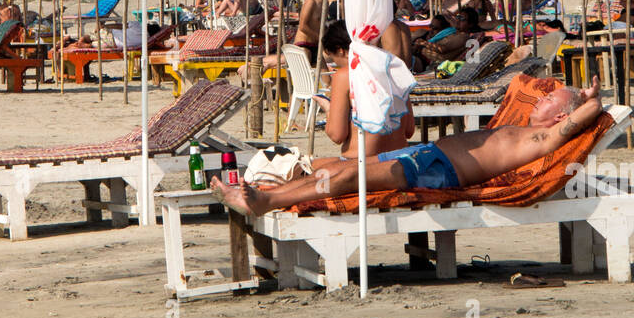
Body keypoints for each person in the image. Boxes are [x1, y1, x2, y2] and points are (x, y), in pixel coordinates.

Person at [211, 77, 603, 215]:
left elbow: (588, 113)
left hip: (440, 171)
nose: (542, 96)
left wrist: (589, 97)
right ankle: (267, 194)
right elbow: (524, 84)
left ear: (560, 117)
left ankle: (267, 203)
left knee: (349, 174)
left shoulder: (544, 136)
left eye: (552, 98)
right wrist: (572, 95)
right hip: (426, 156)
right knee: (332, 168)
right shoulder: (519, 124)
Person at [310, 21, 416, 159]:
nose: (336, 64)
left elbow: (337, 135)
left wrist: (328, 109)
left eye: (334, 58)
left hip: (361, 163)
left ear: (341, 51)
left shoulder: (345, 75)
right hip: (400, 159)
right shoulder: (392, 69)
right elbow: (409, 130)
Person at [413, 8, 480, 72]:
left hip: (426, 62)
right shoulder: (455, 32)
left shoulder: (463, 37)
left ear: (470, 24)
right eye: (458, 17)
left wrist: (423, 43)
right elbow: (449, 17)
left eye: (462, 19)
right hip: (423, 57)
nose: (458, 20)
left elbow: (442, 49)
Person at [294, 0, 339, 64]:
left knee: (324, 74)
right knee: (306, 72)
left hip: (315, 45)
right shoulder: (311, 1)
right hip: (304, 44)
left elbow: (320, 25)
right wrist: (318, 37)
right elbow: (302, 26)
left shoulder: (325, 3)